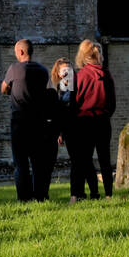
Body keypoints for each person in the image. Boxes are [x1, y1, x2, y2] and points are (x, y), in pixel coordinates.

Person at [0, 39, 57, 202]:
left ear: (22, 52)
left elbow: (3, 88)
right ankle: (39, 196)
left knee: (21, 163)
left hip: (19, 121)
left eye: (16, 52)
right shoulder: (43, 70)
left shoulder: (14, 69)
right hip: (39, 121)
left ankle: (24, 198)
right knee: (38, 162)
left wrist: (11, 89)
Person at [70, 39, 117, 200]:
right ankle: (108, 194)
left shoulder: (78, 76)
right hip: (103, 121)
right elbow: (112, 104)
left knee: (82, 159)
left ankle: (77, 195)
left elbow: (70, 102)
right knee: (105, 160)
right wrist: (104, 114)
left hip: (84, 122)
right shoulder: (106, 75)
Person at [49, 58, 75, 196]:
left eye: (69, 70)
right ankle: (77, 193)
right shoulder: (58, 89)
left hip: (76, 127)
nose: (66, 73)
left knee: (80, 161)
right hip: (66, 128)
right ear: (58, 73)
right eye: (64, 70)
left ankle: (81, 193)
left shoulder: (73, 87)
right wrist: (60, 133)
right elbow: (59, 112)